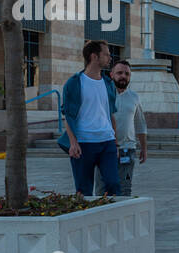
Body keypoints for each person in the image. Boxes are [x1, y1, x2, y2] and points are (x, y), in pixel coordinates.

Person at [60, 40, 121, 196]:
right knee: (83, 190)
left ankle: (109, 218)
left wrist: (115, 143)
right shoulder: (74, 83)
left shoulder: (108, 83)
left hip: (107, 143)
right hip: (84, 144)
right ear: (94, 56)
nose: (110, 58)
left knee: (114, 184)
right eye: (106, 54)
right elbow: (68, 115)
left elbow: (111, 114)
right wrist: (73, 143)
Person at [95, 59, 147, 197]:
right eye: (119, 73)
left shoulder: (134, 97)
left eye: (127, 74)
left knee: (125, 189)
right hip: (105, 148)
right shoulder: (103, 94)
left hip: (127, 150)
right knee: (102, 189)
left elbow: (140, 124)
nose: (123, 76)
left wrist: (144, 148)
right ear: (111, 74)